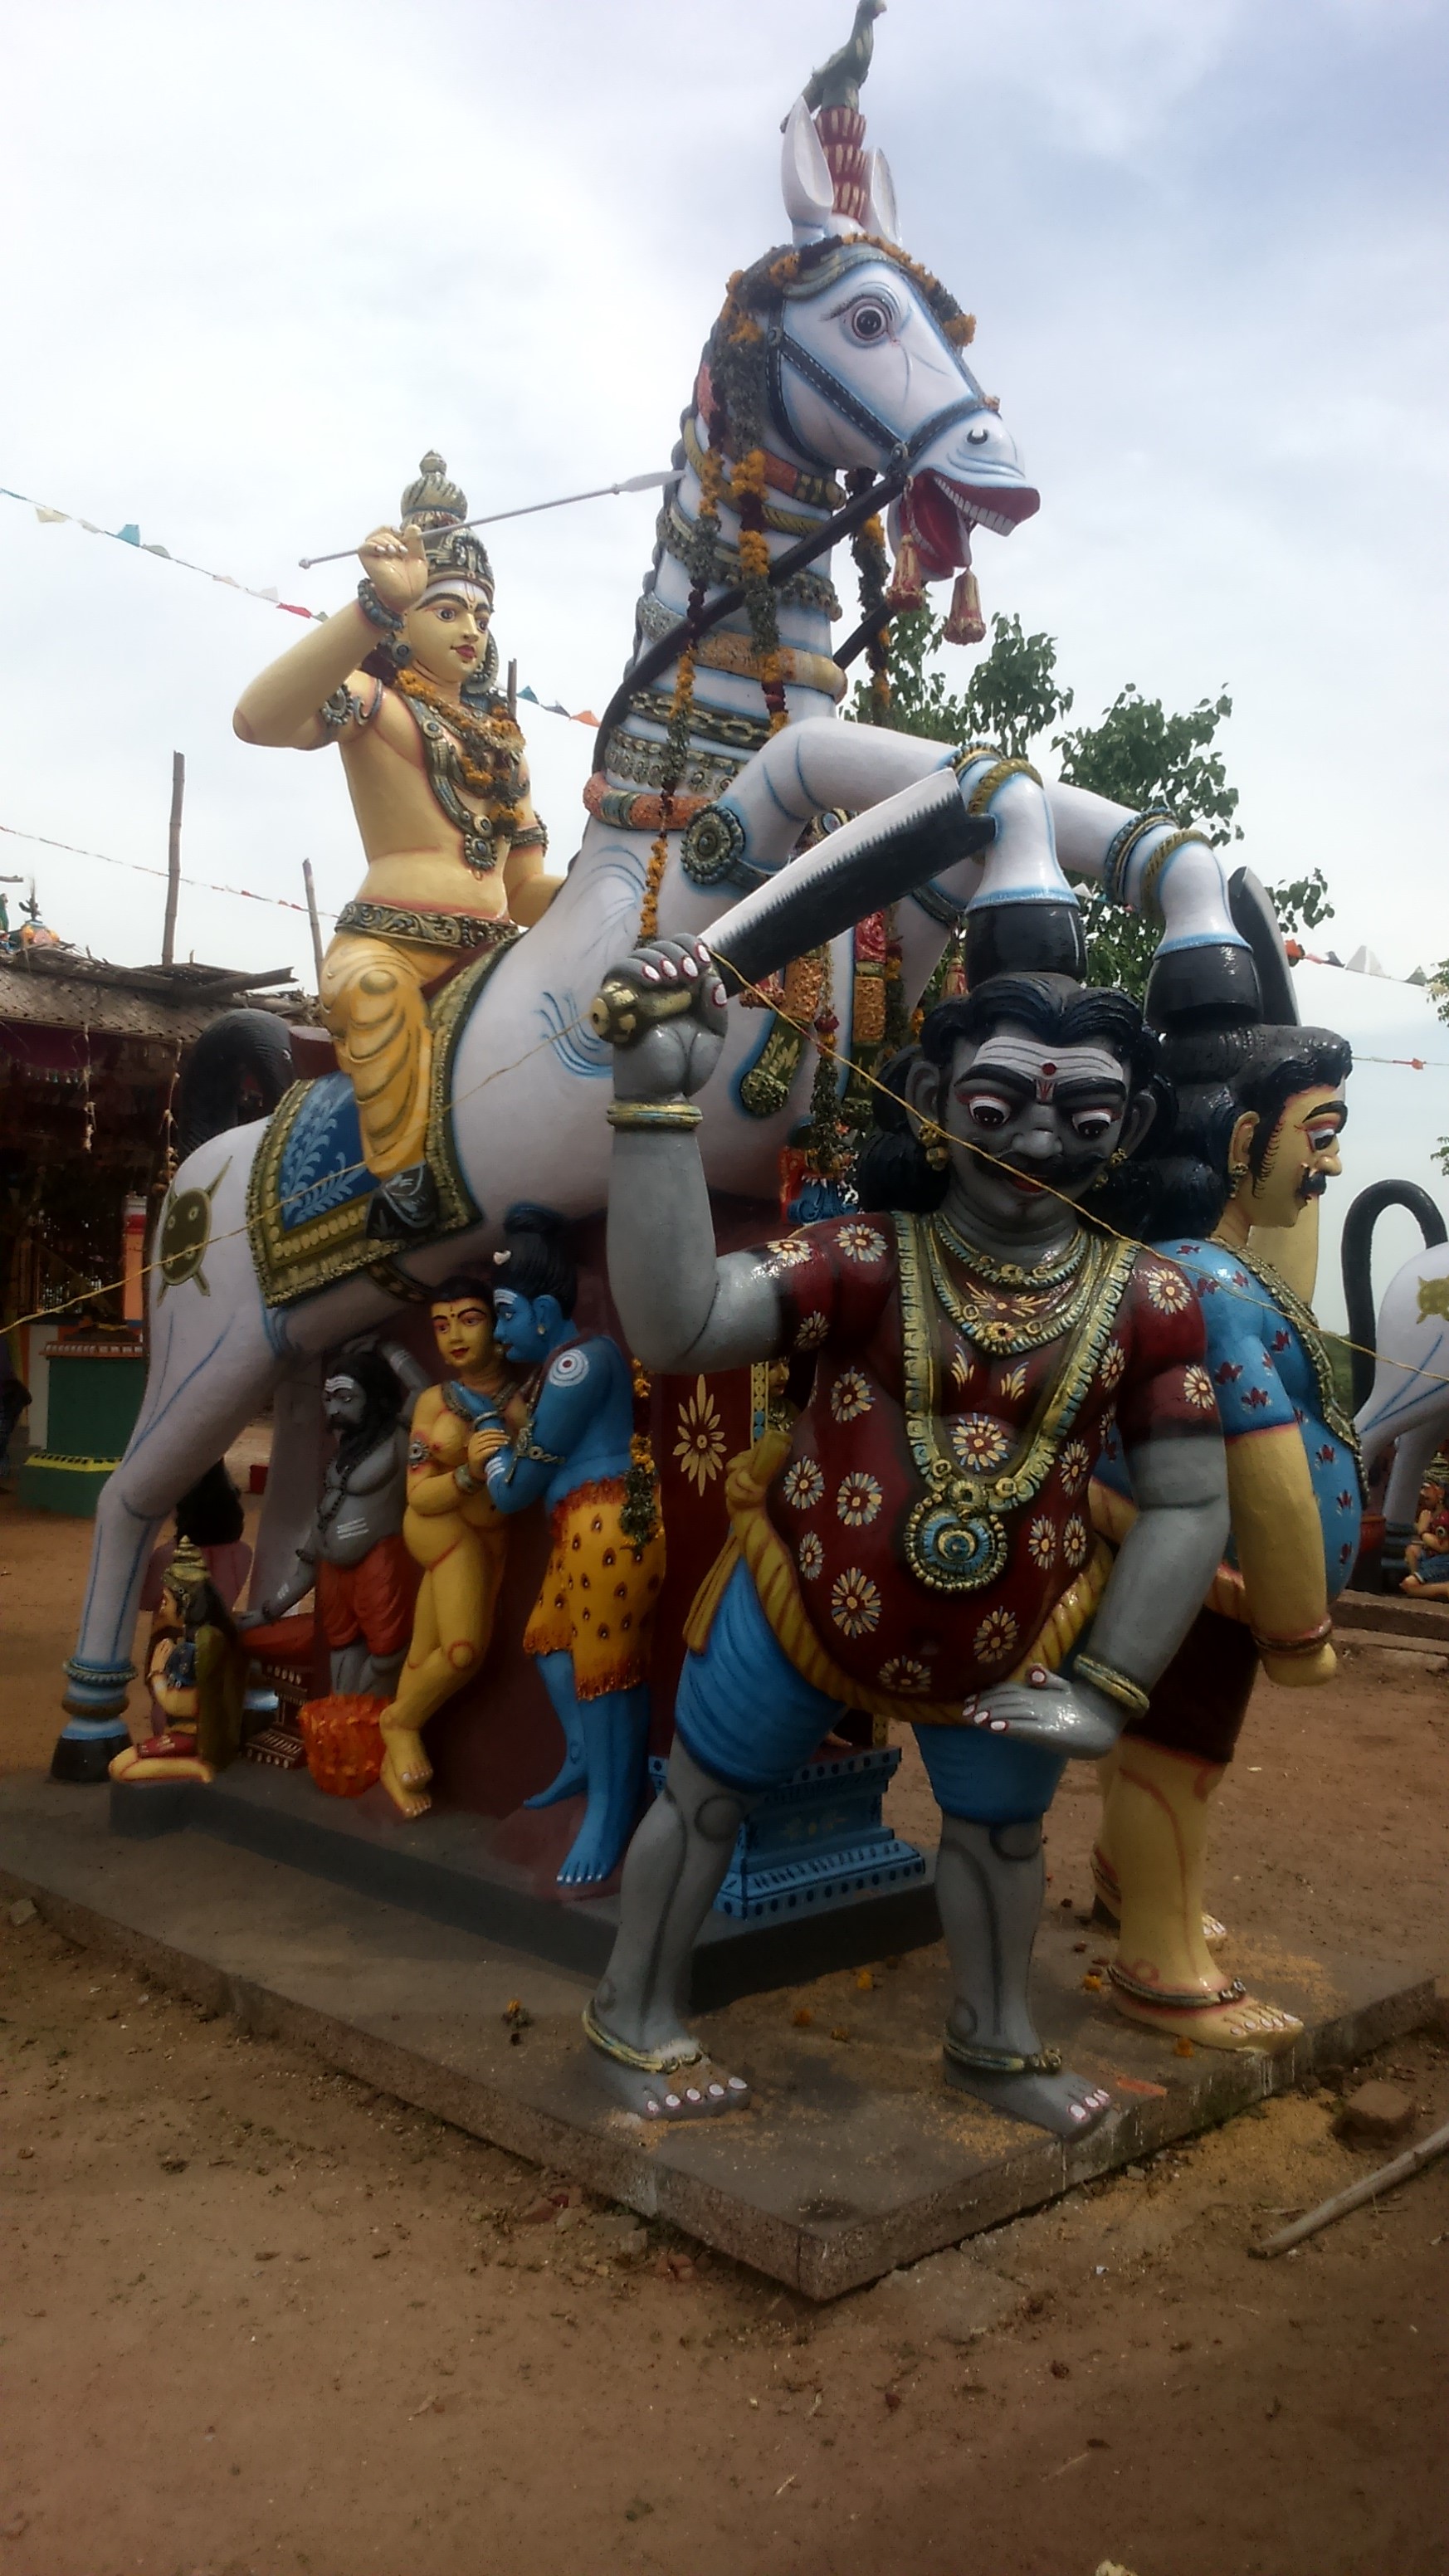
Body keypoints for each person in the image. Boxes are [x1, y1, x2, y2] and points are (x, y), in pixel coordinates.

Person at [581, 941, 1229, 2136]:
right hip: (794, 1607)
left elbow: (1192, 1505)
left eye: (1080, 1115)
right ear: (931, 1102)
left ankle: (993, 2039)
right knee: (704, 1805)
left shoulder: (1151, 1301)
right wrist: (653, 1106)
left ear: (1129, 1123)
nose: (1034, 1145)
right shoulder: (865, 1257)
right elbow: (675, 1329)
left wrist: (1106, 1688)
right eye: (996, 1107)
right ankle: (635, 2014)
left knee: (998, 1841)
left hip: (1016, 1642)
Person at [1090, 1020, 1356, 2047]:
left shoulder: (1198, 1266)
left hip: (1184, 1555)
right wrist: (1297, 1628)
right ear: (1243, 1140)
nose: (1330, 1165)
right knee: (1178, 1751)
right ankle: (1160, 1959)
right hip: (1209, 1571)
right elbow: (1261, 1447)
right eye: (1319, 1136)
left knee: (1147, 1744)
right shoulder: (1212, 1282)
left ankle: (1126, 1882)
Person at [233, 453, 560, 1241]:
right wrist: (368, 612)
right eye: (446, 611)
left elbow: (524, 892)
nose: (470, 631)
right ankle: (402, 1181)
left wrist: (615, 881)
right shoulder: (373, 704)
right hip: (390, 946)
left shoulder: (504, 746)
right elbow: (257, 719)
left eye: (480, 617)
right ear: (406, 623)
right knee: (374, 995)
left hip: (491, 954)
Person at [465, 1207, 666, 1889]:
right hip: (578, 1532)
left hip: (607, 1527)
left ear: (545, 1310)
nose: (498, 1331)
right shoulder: (559, 1365)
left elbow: (517, 1489)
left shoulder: (578, 1364)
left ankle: (610, 1812)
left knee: (607, 1675)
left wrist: (489, 1451)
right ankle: (584, 1756)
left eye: (506, 1313)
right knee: (549, 1642)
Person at [377, 1277, 524, 1818]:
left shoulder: (518, 1403)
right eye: (441, 1326)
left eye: (469, 1319)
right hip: (437, 1525)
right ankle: (400, 1723)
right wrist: (469, 1473)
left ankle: (395, 1766)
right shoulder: (433, 1402)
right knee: (463, 1652)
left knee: (428, 1650)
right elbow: (417, 1491)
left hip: (490, 1536)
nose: (454, 1336)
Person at [238, 1347, 427, 1697]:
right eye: (327, 1399)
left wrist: (388, 1349)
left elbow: (422, 1389)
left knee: (386, 1658)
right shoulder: (341, 1459)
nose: (334, 1410)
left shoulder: (398, 1440)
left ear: (374, 1399)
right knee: (340, 1657)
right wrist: (268, 1611)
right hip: (333, 1576)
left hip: (379, 1565)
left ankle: (367, 1729)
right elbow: (306, 1564)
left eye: (345, 1398)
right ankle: (343, 1726)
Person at [110, 1539, 243, 1783]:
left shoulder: (195, 1650)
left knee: (121, 1768)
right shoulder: (192, 1642)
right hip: (181, 1732)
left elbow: (183, 1705)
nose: (161, 1608)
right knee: (120, 1764)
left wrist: (157, 1675)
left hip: (192, 1735)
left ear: (185, 1604)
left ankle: (195, 1768)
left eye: (166, 1601)